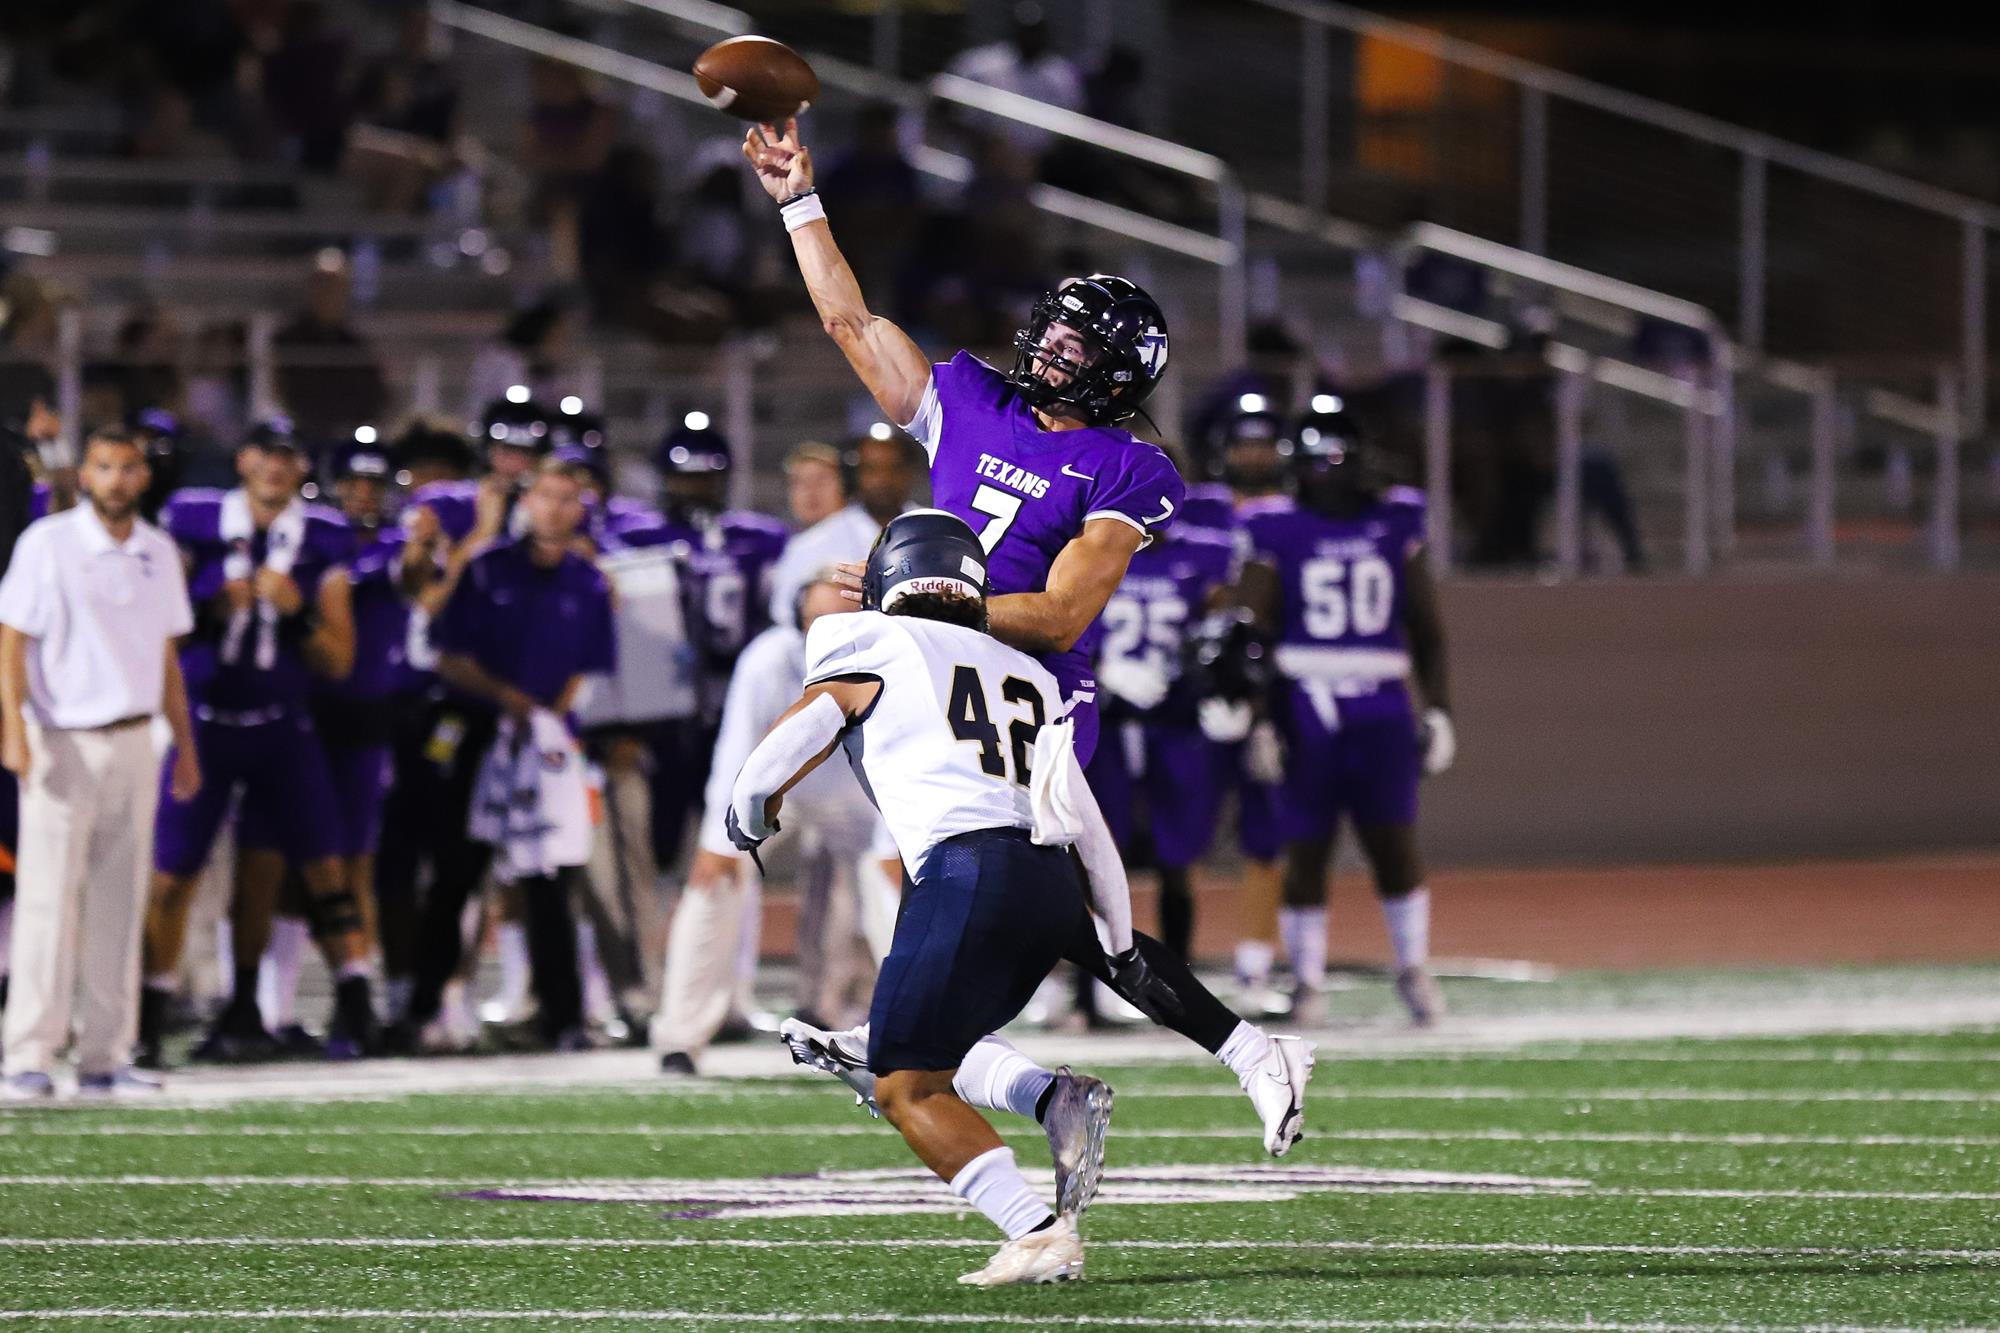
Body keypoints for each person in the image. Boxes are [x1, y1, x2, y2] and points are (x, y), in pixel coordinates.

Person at [751, 115, 1307, 1097]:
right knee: (964, 872)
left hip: (1032, 698)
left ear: (1116, 373)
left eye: (1072, 345)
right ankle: (914, 1032)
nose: (1048, 351)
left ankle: (1233, 1048)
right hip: (937, 669)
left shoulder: (1125, 465)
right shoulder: (970, 398)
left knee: (1049, 907)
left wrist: (921, 602)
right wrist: (799, 199)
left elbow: (1058, 618)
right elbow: (850, 323)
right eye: (1050, 331)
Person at [726, 511, 1125, 1285]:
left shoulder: (872, 639)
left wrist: (750, 805)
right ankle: (1050, 1096)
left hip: (964, 872)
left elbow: (808, 726)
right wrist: (1117, 934)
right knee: (924, 1044)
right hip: (1047, 887)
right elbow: (1088, 823)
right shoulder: (1030, 670)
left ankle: (1037, 1231)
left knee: (903, 1084)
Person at [137, 419, 376, 1067]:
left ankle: (349, 1000)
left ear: (301, 466)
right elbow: (157, 629)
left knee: (313, 868)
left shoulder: (323, 536)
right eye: (265, 453)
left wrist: (297, 611)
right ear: (242, 459)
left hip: (281, 721)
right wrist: (207, 606)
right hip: (205, 720)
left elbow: (338, 660)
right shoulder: (193, 518)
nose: (275, 466)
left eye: (287, 455)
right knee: (171, 871)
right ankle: (149, 1012)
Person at [1232, 404, 1456, 1025]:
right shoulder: (1276, 526)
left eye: (1335, 458)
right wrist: (1261, 717)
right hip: (1307, 700)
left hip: (1382, 698)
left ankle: (1413, 967)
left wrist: (1439, 710)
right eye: (1314, 461)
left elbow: (1428, 629)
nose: (1326, 473)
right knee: (1306, 845)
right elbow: (1250, 632)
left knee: (1394, 841)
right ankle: (1306, 981)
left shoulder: (1395, 520)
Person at [391, 457, 615, 1052]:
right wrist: (507, 699)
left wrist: (543, 717)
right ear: (527, 499)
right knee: (455, 875)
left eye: (569, 498)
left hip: (543, 742)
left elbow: (588, 668)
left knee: (548, 881)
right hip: (477, 733)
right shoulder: (487, 568)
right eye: (545, 495)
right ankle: (423, 1010)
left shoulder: (589, 580)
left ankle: (562, 1017)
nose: (555, 508)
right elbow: (445, 653)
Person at [0, 428, 199, 1098]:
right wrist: (14, 729)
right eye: (105, 466)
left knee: (121, 899)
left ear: (144, 475)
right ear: (85, 473)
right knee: (48, 899)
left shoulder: (159, 550)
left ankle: (105, 1055)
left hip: (138, 736)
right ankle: (29, 1051)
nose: (116, 479)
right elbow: (10, 639)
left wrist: (185, 745)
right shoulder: (47, 542)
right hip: (63, 737)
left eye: (128, 467)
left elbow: (167, 657)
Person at [653, 572, 888, 1075]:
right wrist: (721, 839)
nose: (831, 631)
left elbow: (907, 761)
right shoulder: (767, 660)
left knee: (892, 892)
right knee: (713, 883)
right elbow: (737, 750)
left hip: (863, 796)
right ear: (797, 624)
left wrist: (896, 850)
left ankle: (908, 1029)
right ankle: (681, 1033)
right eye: (818, 621)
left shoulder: (893, 655)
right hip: (778, 784)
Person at [766, 428, 918, 628]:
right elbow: (785, 616)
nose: (883, 479)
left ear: (909, 473)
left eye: (893, 468)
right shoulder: (812, 543)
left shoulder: (937, 528)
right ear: (855, 476)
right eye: (872, 469)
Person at [273, 252, 388, 445]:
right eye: (322, 283)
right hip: (296, 436)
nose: (328, 292)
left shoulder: (356, 344)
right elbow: (277, 390)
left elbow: (376, 397)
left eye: (335, 285)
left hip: (346, 438)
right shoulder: (286, 339)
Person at [783, 441, 848, 531]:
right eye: (801, 482)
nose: (811, 490)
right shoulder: (786, 542)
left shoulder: (866, 536)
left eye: (821, 479)